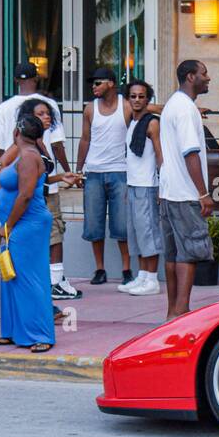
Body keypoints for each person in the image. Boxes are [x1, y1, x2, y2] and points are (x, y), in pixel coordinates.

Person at [0, 61, 78, 300]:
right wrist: (1, 207)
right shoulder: (25, 147)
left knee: (45, 244)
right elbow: (11, 174)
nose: (46, 117)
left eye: (47, 115)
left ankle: (50, 288)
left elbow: (6, 161)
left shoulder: (34, 142)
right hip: (30, 206)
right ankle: (50, 287)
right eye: (41, 115)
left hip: (37, 201)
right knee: (40, 247)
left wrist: (63, 175)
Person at [0, 111, 54, 352]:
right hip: (17, 223)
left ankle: (40, 334)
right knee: (10, 275)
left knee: (28, 277)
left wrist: (8, 225)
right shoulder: (22, 154)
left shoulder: (28, 157)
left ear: (17, 132)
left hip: (27, 224)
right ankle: (13, 331)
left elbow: (26, 194)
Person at [158, 60, 214, 318]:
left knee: (173, 254)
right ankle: (182, 311)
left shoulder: (174, 104)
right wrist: (203, 193)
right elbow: (190, 152)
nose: (208, 78)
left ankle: (172, 311)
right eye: (204, 73)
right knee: (189, 252)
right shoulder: (185, 109)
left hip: (169, 190)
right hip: (185, 192)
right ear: (191, 77)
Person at [76, 67, 131, 285]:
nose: (94, 86)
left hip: (120, 171)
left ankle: (127, 269)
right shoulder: (90, 108)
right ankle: (100, 269)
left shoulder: (125, 105)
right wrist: (79, 169)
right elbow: (84, 139)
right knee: (93, 224)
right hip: (94, 172)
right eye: (93, 83)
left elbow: (149, 108)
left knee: (122, 224)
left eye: (98, 82)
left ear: (111, 83)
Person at [119, 79, 163, 296]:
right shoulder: (132, 122)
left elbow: (160, 156)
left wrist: (162, 187)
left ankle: (153, 279)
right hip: (133, 184)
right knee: (135, 233)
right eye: (133, 96)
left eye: (141, 96)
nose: (137, 100)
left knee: (148, 233)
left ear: (148, 99)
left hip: (148, 185)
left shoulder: (152, 122)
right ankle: (142, 276)